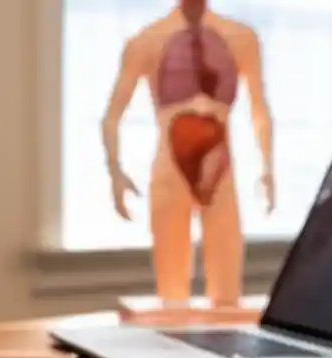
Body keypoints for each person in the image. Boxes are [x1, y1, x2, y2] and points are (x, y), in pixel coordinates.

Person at [102, 0, 275, 309]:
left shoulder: (241, 38)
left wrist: (267, 167)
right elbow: (113, 115)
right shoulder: (147, 41)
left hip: (218, 161)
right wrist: (114, 170)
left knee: (226, 291)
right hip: (171, 161)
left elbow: (259, 109)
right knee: (172, 294)